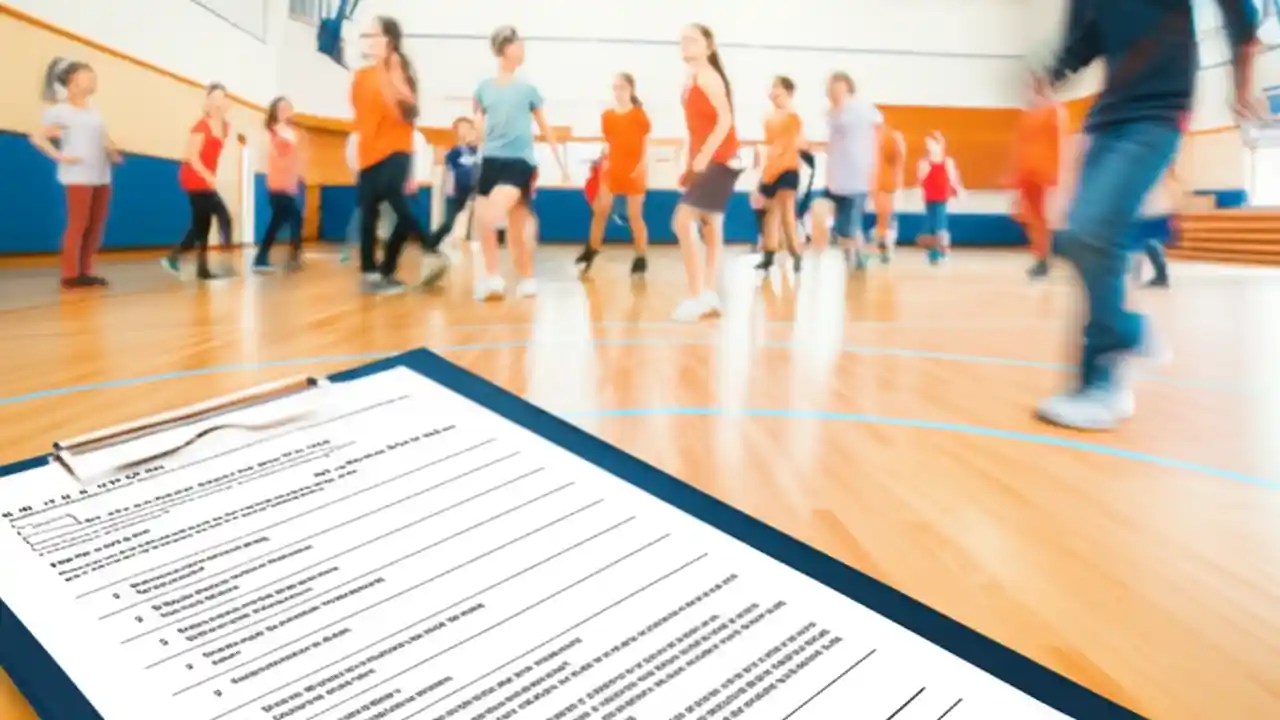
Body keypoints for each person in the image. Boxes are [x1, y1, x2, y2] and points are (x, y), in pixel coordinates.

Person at [1033, 0, 1260, 431]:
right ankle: (1098, 381)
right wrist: (1053, 70)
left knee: (1094, 229)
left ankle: (1117, 355)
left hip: (1160, 110)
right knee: (1082, 239)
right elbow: (1086, 37)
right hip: (1108, 115)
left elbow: (1241, 14)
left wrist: (1242, 84)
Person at [350, 15, 448, 295]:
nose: (367, 41)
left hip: (396, 149)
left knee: (402, 207)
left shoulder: (400, 69)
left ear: (388, 40)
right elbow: (360, 114)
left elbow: (410, 111)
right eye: (365, 37)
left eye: (373, 35)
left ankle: (427, 245)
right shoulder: (360, 76)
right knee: (368, 214)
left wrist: (392, 81)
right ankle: (373, 272)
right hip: (368, 152)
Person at [472, 25, 569, 301]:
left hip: (519, 162)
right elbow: (476, 120)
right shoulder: (483, 89)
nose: (523, 49)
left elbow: (545, 127)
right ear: (505, 48)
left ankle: (512, 277)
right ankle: (505, 279)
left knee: (491, 216)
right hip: (490, 161)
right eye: (519, 45)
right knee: (509, 229)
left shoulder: (528, 90)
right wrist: (476, 127)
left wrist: (561, 165)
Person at [31, 59, 121, 290]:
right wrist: (59, 156)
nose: (92, 79)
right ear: (71, 82)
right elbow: (37, 137)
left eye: (93, 75)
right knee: (78, 224)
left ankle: (86, 271)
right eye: (86, 75)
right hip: (77, 175)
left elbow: (103, 137)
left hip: (101, 174)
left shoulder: (94, 110)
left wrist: (112, 151)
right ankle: (70, 274)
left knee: (95, 225)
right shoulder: (60, 111)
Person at [671, 23, 740, 322]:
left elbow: (726, 120)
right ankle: (709, 294)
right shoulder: (691, 79)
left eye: (692, 39)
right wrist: (689, 158)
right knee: (711, 225)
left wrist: (704, 156)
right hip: (708, 158)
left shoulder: (709, 77)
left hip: (719, 158)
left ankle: (697, 293)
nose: (685, 43)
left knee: (683, 221)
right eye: (682, 39)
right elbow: (698, 125)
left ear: (709, 46)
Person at [576, 72, 652, 278]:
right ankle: (591, 251)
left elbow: (645, 145)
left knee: (635, 216)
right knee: (600, 212)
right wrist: (602, 159)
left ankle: (640, 257)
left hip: (633, 171)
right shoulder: (607, 116)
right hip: (612, 170)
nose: (618, 92)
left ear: (631, 89)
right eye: (615, 88)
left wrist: (640, 166)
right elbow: (608, 143)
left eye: (622, 87)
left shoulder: (639, 115)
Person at [162, 83, 233, 280]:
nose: (219, 101)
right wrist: (207, 175)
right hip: (194, 176)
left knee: (202, 226)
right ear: (208, 101)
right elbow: (191, 156)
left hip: (206, 178)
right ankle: (223, 258)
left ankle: (199, 268)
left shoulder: (225, 126)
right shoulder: (200, 127)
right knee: (221, 214)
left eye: (222, 97)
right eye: (215, 97)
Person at [824, 71, 882, 271]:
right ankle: (851, 254)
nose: (832, 92)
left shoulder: (863, 109)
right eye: (830, 88)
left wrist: (874, 167)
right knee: (841, 227)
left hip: (857, 176)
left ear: (847, 88)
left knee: (852, 222)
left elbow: (879, 127)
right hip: (838, 178)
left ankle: (858, 258)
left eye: (836, 87)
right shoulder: (832, 113)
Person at [1014, 76, 1067, 279]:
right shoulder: (1028, 114)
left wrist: (1055, 175)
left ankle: (1043, 259)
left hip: (1042, 174)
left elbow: (1058, 145)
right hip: (1028, 174)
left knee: (1041, 221)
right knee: (1031, 219)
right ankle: (1040, 257)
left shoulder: (1054, 111)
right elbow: (1022, 147)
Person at [754, 76, 804, 275]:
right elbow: (770, 145)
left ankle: (796, 253)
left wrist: (771, 170)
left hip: (786, 170)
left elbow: (785, 147)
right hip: (772, 170)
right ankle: (768, 256)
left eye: (778, 88)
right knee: (770, 215)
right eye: (772, 87)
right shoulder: (770, 118)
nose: (773, 92)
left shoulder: (792, 117)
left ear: (788, 92)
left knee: (786, 215)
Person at [254, 96, 307, 272]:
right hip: (277, 184)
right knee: (293, 217)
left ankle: (264, 258)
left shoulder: (293, 132)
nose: (286, 110)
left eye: (288, 107)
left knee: (279, 221)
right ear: (275, 112)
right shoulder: (273, 132)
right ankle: (294, 254)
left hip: (289, 185)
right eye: (282, 108)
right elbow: (275, 155)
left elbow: (296, 158)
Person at [428, 117, 481, 250]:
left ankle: (472, 241)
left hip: (473, 190)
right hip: (456, 192)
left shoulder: (476, 150)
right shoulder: (455, 151)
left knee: (476, 215)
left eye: (468, 127)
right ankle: (430, 243)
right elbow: (449, 164)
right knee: (449, 223)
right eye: (461, 128)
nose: (465, 131)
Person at [915, 131, 963, 265]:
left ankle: (942, 249)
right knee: (930, 223)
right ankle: (933, 252)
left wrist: (958, 191)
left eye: (931, 143)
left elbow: (953, 178)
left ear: (940, 145)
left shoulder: (947, 162)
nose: (929, 146)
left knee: (940, 223)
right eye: (927, 144)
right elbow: (920, 179)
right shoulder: (924, 162)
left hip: (941, 196)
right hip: (929, 196)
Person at [874, 124, 906, 263]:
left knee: (886, 217)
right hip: (878, 185)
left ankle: (885, 245)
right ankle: (883, 244)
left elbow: (899, 161)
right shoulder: (873, 144)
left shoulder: (891, 140)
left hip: (885, 185)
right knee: (884, 217)